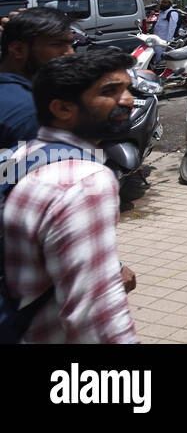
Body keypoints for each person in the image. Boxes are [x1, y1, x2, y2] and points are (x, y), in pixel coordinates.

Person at [3, 48, 139, 342]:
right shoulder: (84, 180)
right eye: (110, 92)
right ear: (63, 109)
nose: (127, 100)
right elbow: (96, 314)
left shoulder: (18, 156)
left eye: (127, 88)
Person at [0, 8, 78, 151]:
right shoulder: (30, 112)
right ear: (18, 50)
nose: (70, 53)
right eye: (57, 44)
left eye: (70, 44)